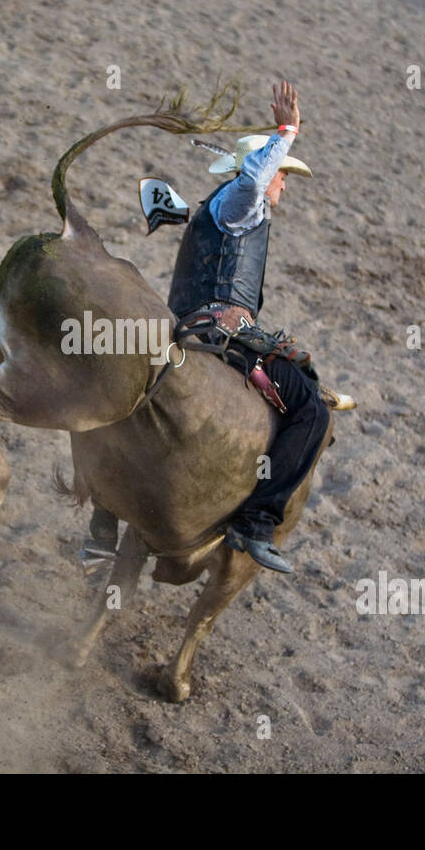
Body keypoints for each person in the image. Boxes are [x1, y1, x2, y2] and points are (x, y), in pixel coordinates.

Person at [164, 80, 328, 574]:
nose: (283, 185)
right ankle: (257, 518)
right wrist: (287, 131)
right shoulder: (241, 203)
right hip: (222, 336)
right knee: (311, 410)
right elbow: (255, 182)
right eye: (283, 175)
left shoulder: (218, 208)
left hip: (190, 327)